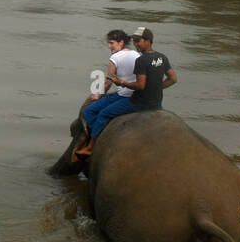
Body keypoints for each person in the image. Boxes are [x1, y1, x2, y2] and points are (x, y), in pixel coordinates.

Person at [75, 26, 177, 159]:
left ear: (148, 41)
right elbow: (173, 79)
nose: (136, 44)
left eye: (138, 41)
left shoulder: (141, 60)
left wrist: (121, 83)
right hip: (157, 103)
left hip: (139, 102)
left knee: (103, 114)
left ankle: (90, 147)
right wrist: (156, 88)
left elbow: (140, 86)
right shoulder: (161, 57)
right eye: (134, 41)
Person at [72, 29, 140, 157]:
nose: (109, 46)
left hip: (125, 95)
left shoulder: (115, 57)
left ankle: (96, 140)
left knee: (90, 111)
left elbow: (109, 82)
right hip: (138, 94)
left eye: (111, 43)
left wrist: (98, 94)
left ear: (121, 42)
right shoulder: (137, 54)